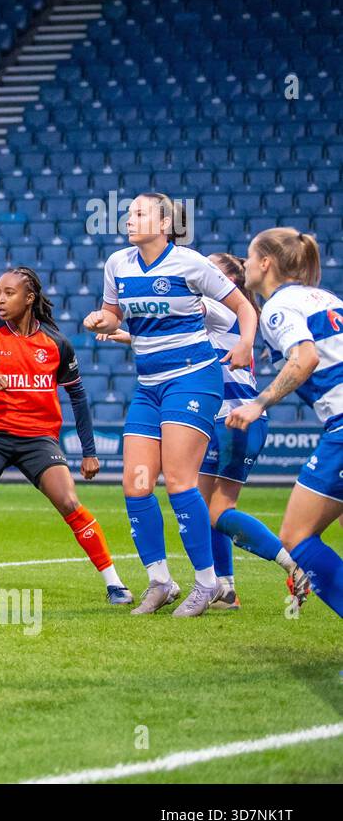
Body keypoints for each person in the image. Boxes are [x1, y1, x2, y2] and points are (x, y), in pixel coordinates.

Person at [99, 252, 309, 609]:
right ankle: (225, 589)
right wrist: (121, 334)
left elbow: (175, 311)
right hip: (232, 418)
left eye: (210, 270)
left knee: (214, 510)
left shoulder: (219, 309)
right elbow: (167, 333)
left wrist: (124, 324)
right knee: (210, 507)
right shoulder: (222, 319)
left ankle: (290, 562)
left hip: (232, 417)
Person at [83, 193, 258, 616]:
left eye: (139, 213)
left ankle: (207, 583)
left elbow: (242, 308)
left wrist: (246, 343)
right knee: (136, 483)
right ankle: (160, 580)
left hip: (193, 379)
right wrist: (100, 321)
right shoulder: (117, 264)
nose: (129, 219)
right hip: (148, 386)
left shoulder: (191, 263)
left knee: (180, 481)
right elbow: (114, 316)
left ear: (164, 223)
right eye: (128, 213)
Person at [0, 267, 131, 603]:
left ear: (29, 297)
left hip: (38, 438)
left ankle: (115, 583)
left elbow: (77, 396)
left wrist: (89, 452)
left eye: (9, 293)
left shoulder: (55, 343)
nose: (0, 300)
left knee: (68, 501)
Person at [226, 227, 343, 618]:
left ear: (266, 263)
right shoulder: (327, 298)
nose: (243, 265)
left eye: (248, 256)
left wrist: (259, 403)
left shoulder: (279, 307)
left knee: (297, 537)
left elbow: (305, 358)